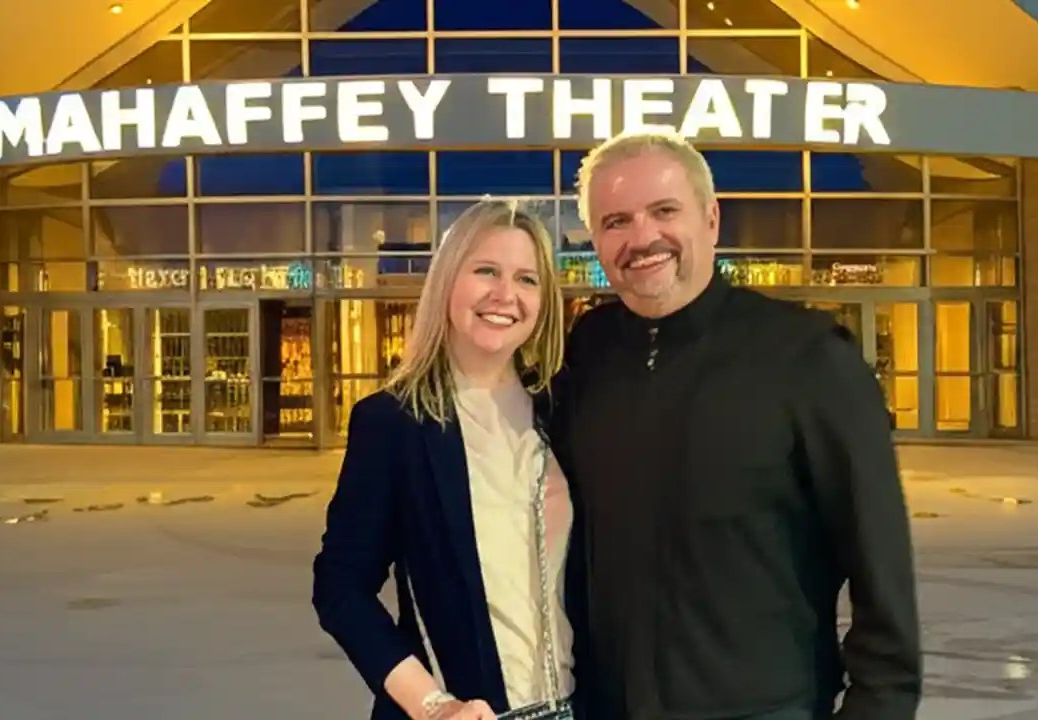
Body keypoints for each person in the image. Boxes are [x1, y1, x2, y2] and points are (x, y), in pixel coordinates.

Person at [551, 128, 922, 719]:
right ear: (594, 240)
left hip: (764, 707)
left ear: (711, 219)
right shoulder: (587, 355)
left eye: (663, 211)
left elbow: (880, 567)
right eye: (615, 221)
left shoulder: (808, 358)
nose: (641, 237)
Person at [313, 200, 581, 720]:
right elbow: (340, 587)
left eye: (527, 279)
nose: (506, 294)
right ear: (447, 282)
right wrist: (431, 703)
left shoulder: (565, 407)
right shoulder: (394, 423)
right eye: (486, 271)